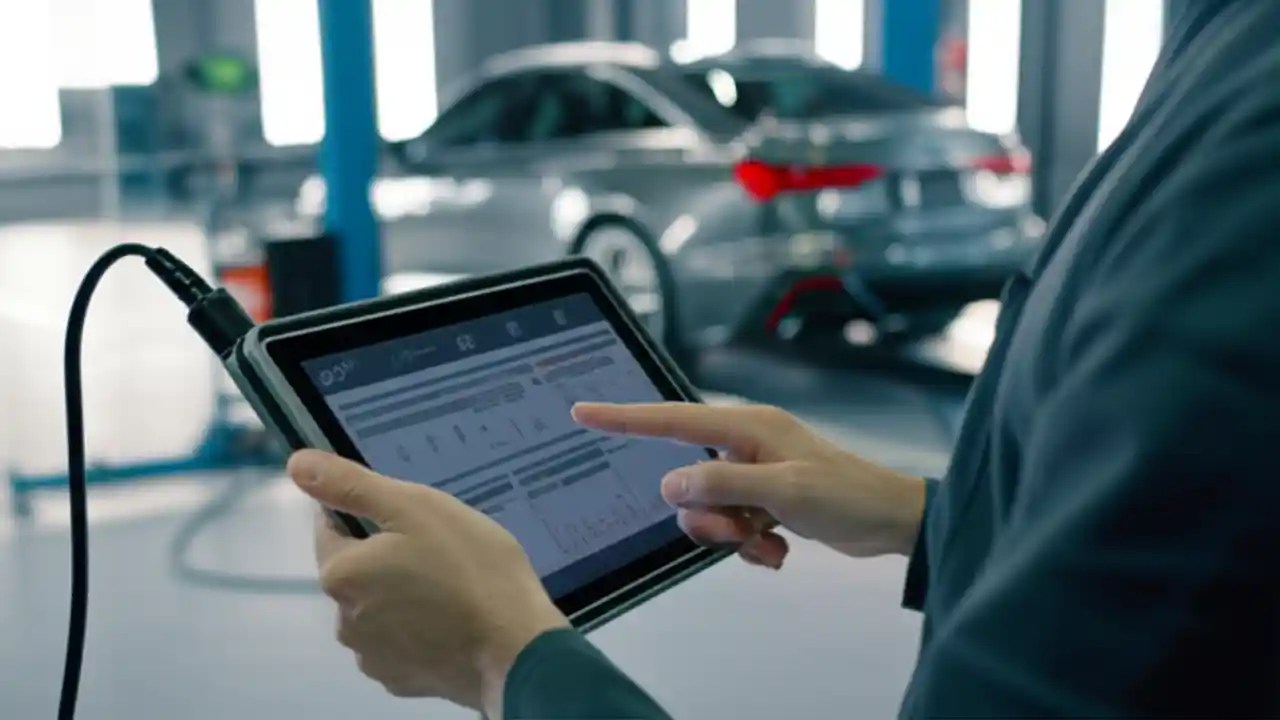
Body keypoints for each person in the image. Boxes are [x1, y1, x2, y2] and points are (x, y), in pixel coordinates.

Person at [286, 1, 1280, 717]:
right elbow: (1204, 571)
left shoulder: (1250, 115)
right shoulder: (1218, 43)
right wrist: (923, 519)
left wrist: (510, 664)